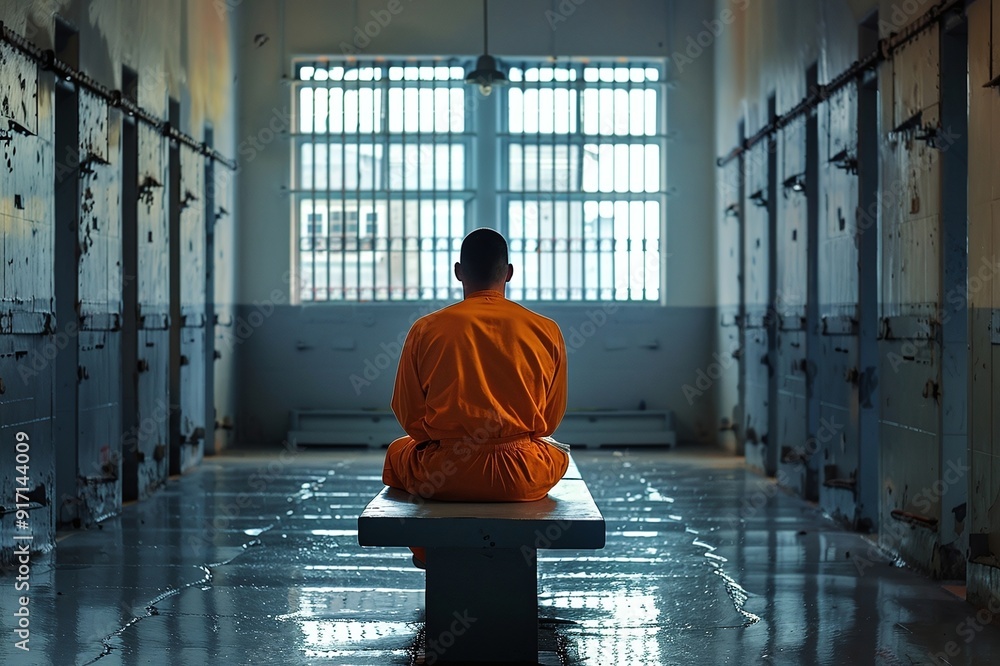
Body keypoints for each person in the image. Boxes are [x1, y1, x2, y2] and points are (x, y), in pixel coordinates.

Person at [382, 228, 570, 567]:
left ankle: (429, 551)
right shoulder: (546, 328)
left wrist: (444, 440)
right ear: (509, 273)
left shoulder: (426, 328)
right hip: (521, 474)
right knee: (559, 454)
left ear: (458, 271)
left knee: (397, 452)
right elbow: (549, 422)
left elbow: (409, 415)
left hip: (447, 473)